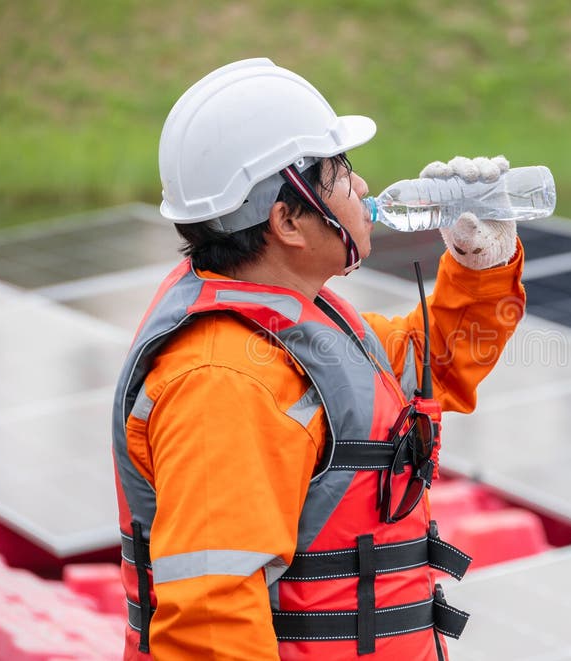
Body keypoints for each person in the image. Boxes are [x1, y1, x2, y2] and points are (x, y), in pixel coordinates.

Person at [111, 58, 526, 660]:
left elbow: (428, 367)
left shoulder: (301, 321)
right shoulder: (222, 380)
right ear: (287, 220)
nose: (360, 187)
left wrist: (482, 264)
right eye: (339, 173)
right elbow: (210, 628)